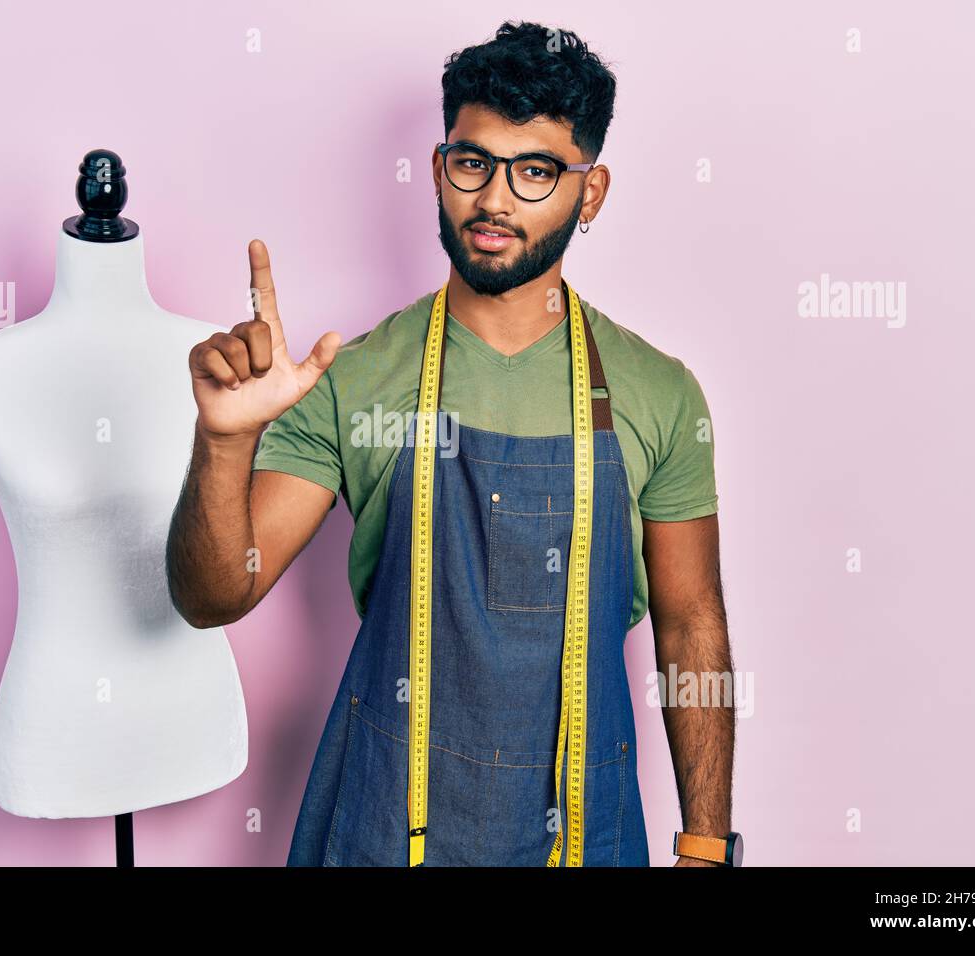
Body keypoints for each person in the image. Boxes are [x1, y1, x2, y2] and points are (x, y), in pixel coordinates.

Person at [167, 20, 736, 867]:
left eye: (536, 170)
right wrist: (223, 442)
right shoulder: (353, 379)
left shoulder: (658, 392)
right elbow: (213, 597)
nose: (495, 200)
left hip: (589, 829)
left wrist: (704, 845)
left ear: (592, 190)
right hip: (381, 823)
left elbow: (693, 627)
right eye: (473, 163)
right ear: (440, 170)